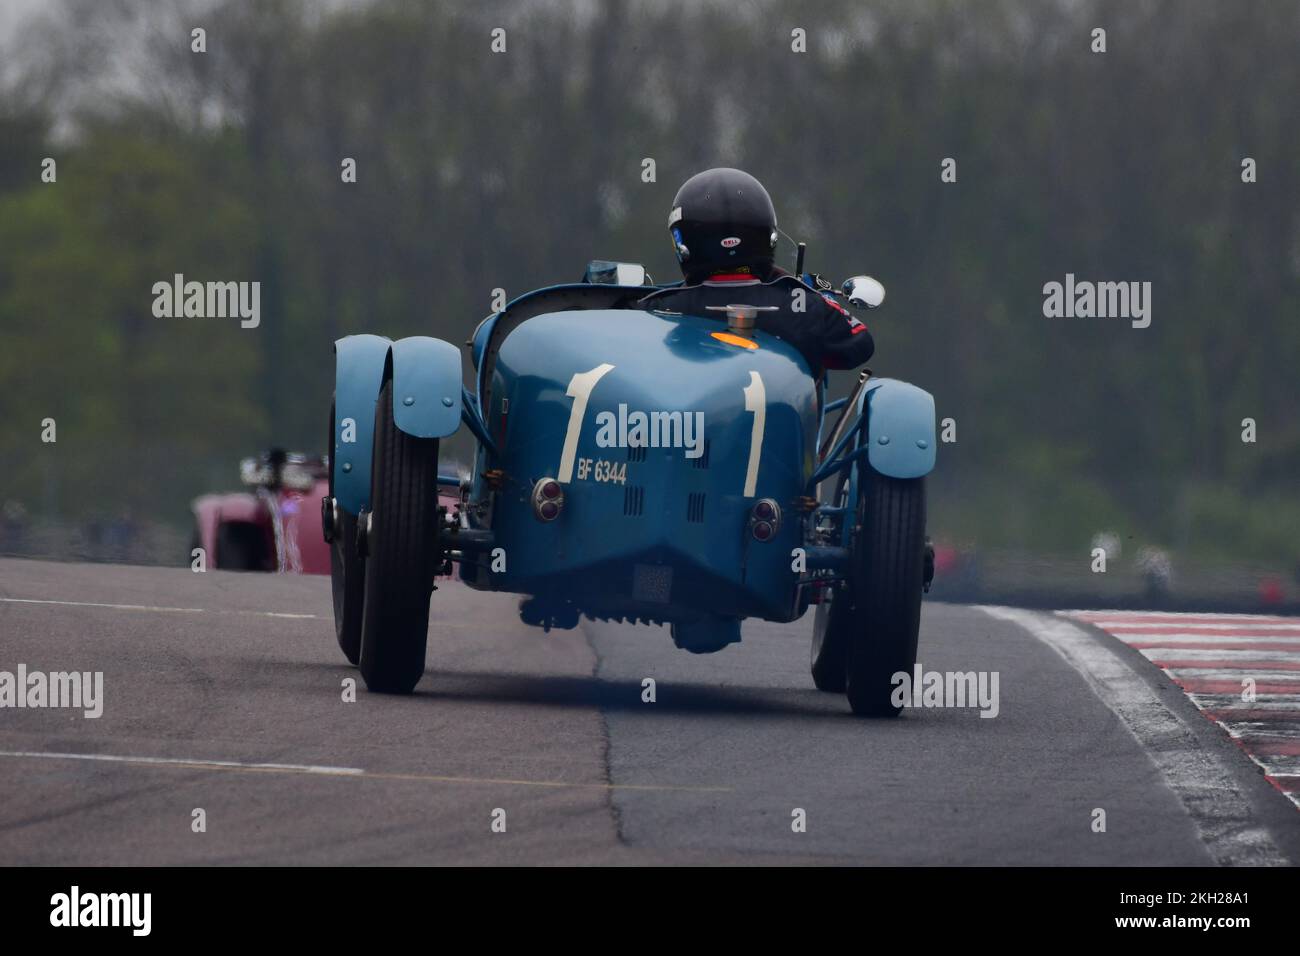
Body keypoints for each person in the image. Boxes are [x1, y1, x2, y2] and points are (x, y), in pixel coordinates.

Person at [638, 167, 874, 374]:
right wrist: (807, 291)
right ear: (767, 233)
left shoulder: (658, 310)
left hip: (689, 424)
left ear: (683, 244)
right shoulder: (804, 306)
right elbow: (860, 344)